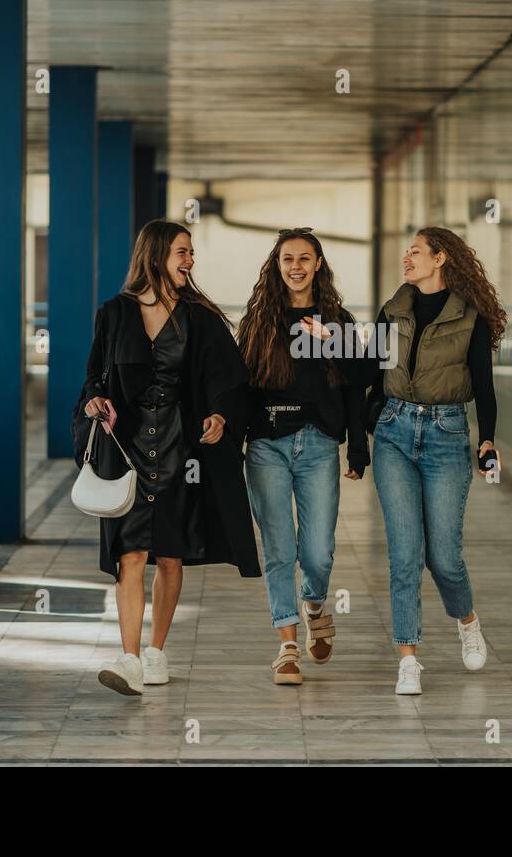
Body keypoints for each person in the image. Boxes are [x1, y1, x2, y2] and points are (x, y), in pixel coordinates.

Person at [74, 219, 260, 697]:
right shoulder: (114, 313)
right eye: (181, 251)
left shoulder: (198, 317)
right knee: (129, 555)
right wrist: (96, 401)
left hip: (181, 453)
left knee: (172, 557)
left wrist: (219, 415)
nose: (189, 260)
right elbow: (93, 378)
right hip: (127, 453)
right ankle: (130, 659)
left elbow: (228, 378)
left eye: (191, 252)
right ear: (156, 256)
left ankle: (156, 650)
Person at [366, 226, 506, 695]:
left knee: (443, 557)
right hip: (394, 436)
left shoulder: (471, 317)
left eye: (416, 251)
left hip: (447, 435)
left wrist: (487, 440)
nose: (407, 258)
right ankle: (408, 659)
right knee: (404, 554)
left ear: (441, 258)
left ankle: (466, 620)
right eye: (406, 252)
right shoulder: (392, 310)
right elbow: (369, 370)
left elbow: (483, 385)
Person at [238, 228, 370, 685]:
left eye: (304, 258)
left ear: (318, 265)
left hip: (317, 445)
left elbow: (360, 380)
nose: (295, 266)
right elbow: (242, 389)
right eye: (287, 258)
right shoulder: (258, 321)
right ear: (277, 266)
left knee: (318, 550)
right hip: (266, 446)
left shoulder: (339, 319)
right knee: (278, 550)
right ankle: (287, 646)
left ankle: (314, 603)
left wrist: (358, 445)